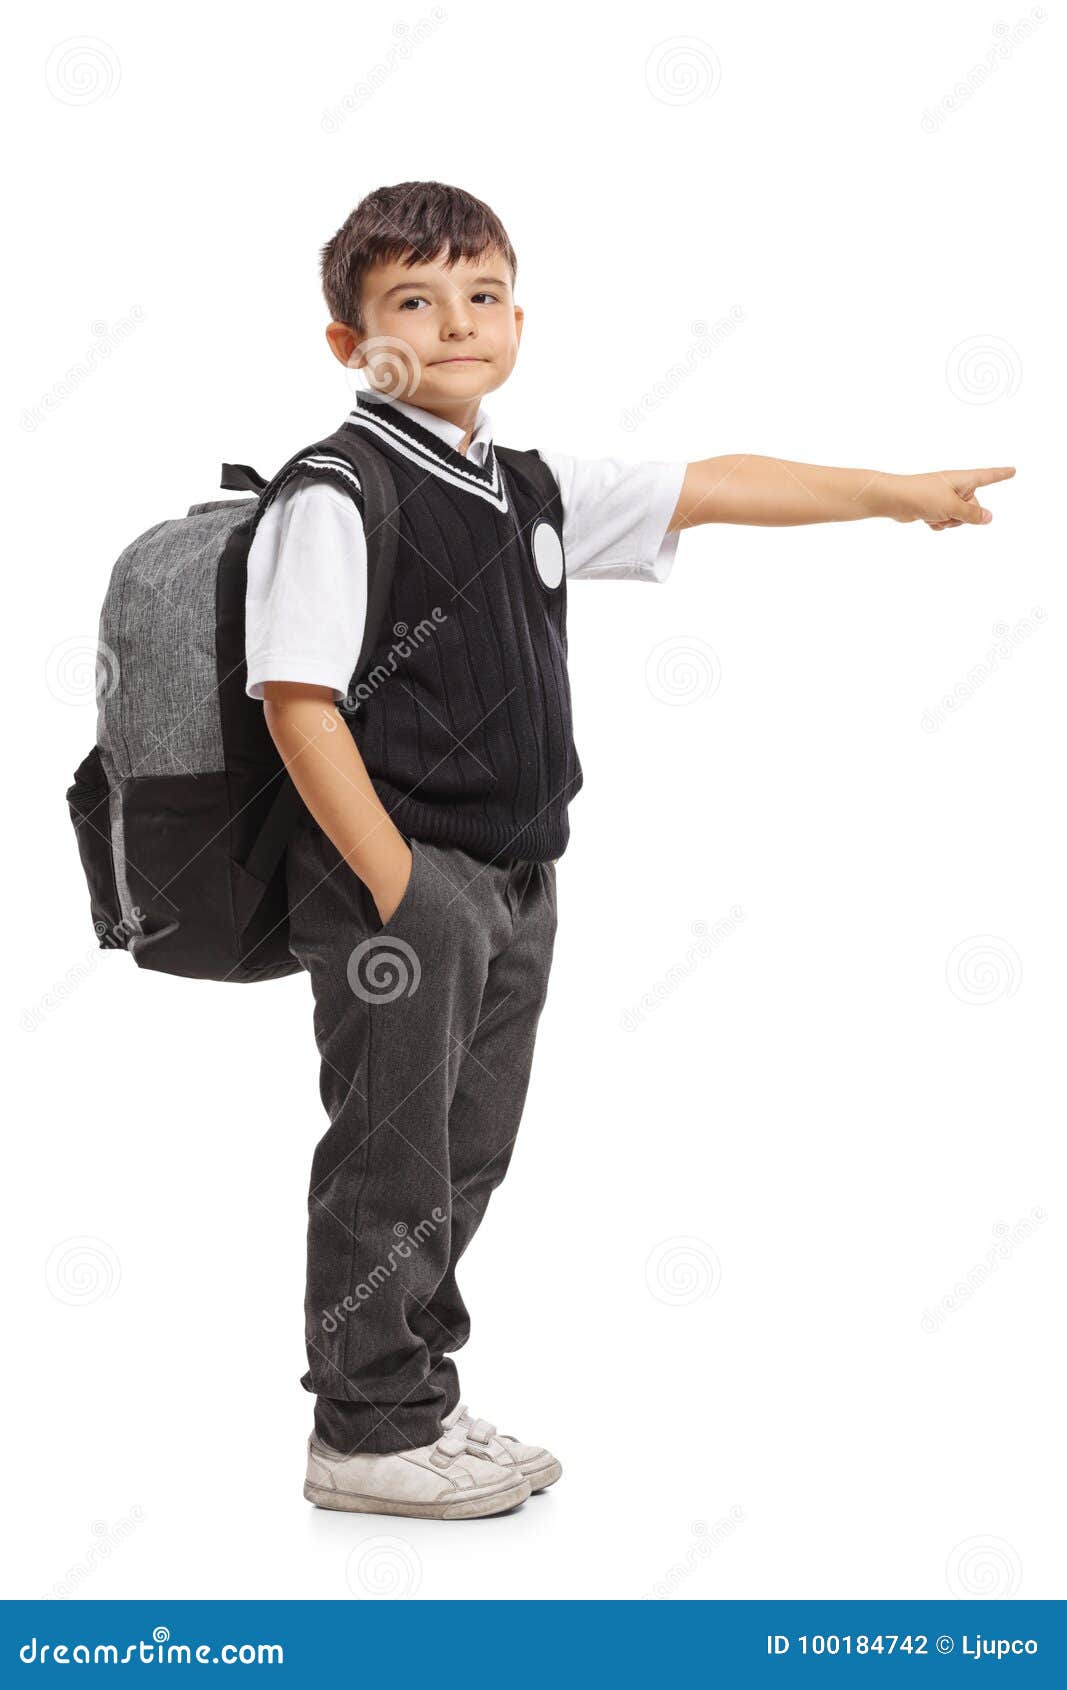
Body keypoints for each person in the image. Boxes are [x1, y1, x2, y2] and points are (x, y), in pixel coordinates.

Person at [245, 180, 1014, 1520]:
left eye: (483, 295)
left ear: (520, 317)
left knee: (466, 1145)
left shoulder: (521, 484)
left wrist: (897, 491)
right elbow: (297, 698)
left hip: (515, 872)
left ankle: (409, 1395)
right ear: (349, 344)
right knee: (393, 1149)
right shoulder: (340, 487)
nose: (458, 321)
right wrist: (401, 884)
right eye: (414, 302)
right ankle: (362, 1429)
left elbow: (710, 483)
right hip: (403, 881)